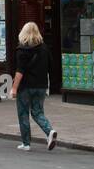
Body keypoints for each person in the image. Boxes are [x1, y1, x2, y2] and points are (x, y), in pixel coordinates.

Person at [10, 22, 58, 152]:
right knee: (37, 112)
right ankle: (49, 131)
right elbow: (51, 67)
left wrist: (14, 88)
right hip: (41, 86)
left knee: (23, 113)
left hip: (25, 87)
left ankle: (26, 143)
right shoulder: (44, 48)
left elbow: (19, 71)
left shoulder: (21, 50)